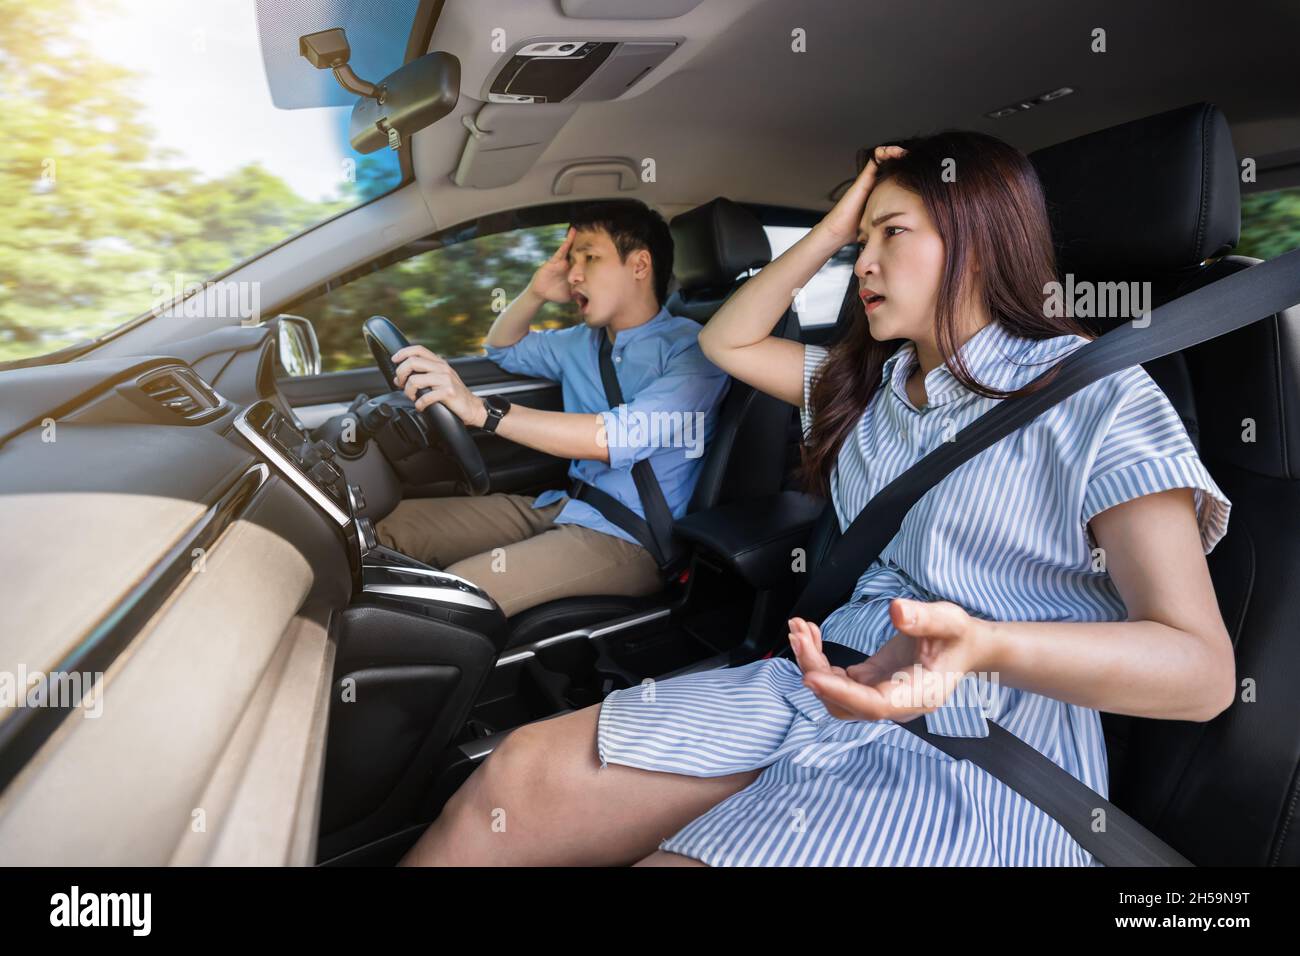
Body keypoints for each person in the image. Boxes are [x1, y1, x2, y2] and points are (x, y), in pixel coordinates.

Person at [398, 133, 1236, 867]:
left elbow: (1201, 674)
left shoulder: (1097, 396)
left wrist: (981, 645)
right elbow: (729, 339)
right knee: (513, 777)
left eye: (892, 234)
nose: (863, 263)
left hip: (982, 735)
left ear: (977, 244)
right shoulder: (867, 389)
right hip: (825, 679)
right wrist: (837, 228)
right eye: (858, 241)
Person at [375, 201, 730, 618]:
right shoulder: (581, 342)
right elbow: (502, 347)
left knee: (450, 598)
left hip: (630, 539)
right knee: (389, 529)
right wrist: (537, 292)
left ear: (639, 265)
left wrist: (481, 411)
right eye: (570, 259)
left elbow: (616, 437)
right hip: (562, 505)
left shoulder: (695, 351)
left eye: (590, 257)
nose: (574, 273)